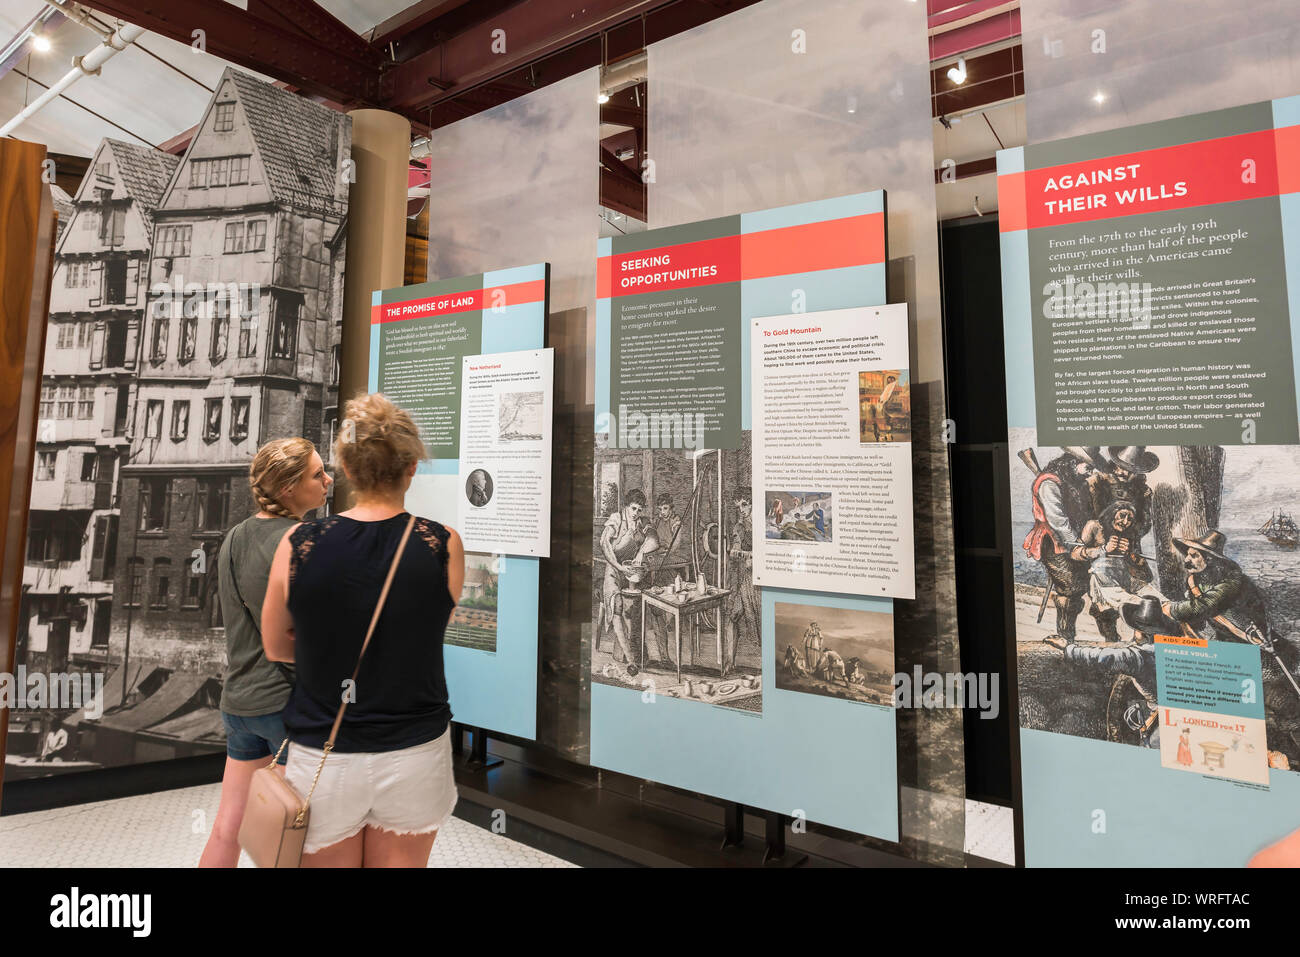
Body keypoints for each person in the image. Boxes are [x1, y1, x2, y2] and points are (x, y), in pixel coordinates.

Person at [261, 393, 465, 867]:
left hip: (324, 751)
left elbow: (276, 644)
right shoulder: (443, 543)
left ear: (347, 470)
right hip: (415, 749)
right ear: (412, 466)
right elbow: (423, 633)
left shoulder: (300, 542)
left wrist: (326, 653)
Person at [199, 437, 331, 868]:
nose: (329, 479)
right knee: (299, 841)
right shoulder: (304, 541)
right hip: (287, 704)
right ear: (289, 488)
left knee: (228, 826)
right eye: (317, 473)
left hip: (239, 703)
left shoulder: (234, 536)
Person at [1023, 447, 1103, 643]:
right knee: (1069, 588)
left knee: (1086, 583)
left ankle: (1070, 638)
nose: (1091, 472)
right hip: (1054, 542)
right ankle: (1065, 637)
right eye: (1088, 467)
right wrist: (1076, 545)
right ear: (1073, 462)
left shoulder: (1078, 482)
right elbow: (1057, 521)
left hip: (1076, 540)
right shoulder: (1049, 483)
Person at [1071, 501, 1154, 641]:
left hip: (1125, 577)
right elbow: (1075, 553)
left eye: (1130, 519)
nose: (1125, 522)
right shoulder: (1094, 526)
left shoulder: (1130, 533)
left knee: (1156, 600)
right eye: (1122, 516)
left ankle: (1141, 638)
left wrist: (1131, 555)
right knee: (1132, 605)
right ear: (1112, 513)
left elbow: (1143, 570)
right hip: (1102, 578)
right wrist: (1103, 549)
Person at [598, 489, 648, 673]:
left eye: (639, 510)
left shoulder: (639, 524)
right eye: (633, 508)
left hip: (629, 572)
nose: (636, 513)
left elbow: (648, 541)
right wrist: (619, 567)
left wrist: (642, 552)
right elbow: (604, 543)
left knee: (634, 608)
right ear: (626, 506)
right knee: (617, 605)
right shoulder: (617, 518)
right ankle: (631, 661)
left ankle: (633, 654)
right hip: (613, 570)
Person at [724, 487, 759, 676]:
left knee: (762, 621)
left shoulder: (764, 524)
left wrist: (753, 555)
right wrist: (740, 552)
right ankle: (730, 661)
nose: (742, 510)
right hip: (745, 578)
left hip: (761, 581)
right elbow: (734, 549)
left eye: (745, 505)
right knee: (733, 616)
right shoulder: (739, 527)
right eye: (739, 507)